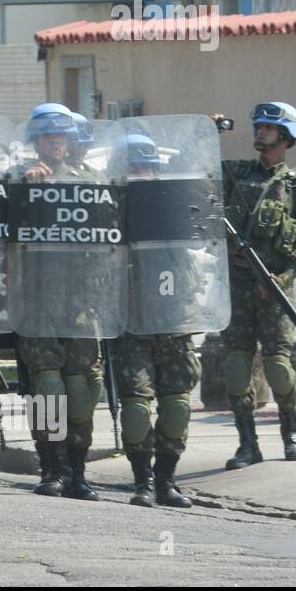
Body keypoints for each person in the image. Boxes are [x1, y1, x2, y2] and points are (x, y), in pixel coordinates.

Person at [214, 102, 296, 468]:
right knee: (237, 368)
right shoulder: (237, 173)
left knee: (277, 366)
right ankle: (247, 444)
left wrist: (284, 279)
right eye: (257, 125)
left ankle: (291, 433)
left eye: (268, 128)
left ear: (286, 137)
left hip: (274, 291)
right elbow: (199, 173)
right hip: (236, 286)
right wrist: (208, 134)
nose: (259, 131)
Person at [13, 104, 104, 501]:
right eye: (48, 136)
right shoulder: (20, 179)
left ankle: (79, 472)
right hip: (40, 299)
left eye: (61, 136)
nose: (55, 143)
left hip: (82, 299)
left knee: (80, 387)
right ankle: (53, 468)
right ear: (36, 140)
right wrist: (26, 189)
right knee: (47, 386)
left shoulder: (92, 180)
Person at [111, 133, 195, 508]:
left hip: (173, 319)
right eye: (133, 165)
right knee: (137, 405)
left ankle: (167, 480)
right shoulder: (111, 207)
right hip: (132, 320)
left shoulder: (172, 203)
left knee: (177, 403)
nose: (140, 172)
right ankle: (142, 481)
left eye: (146, 165)